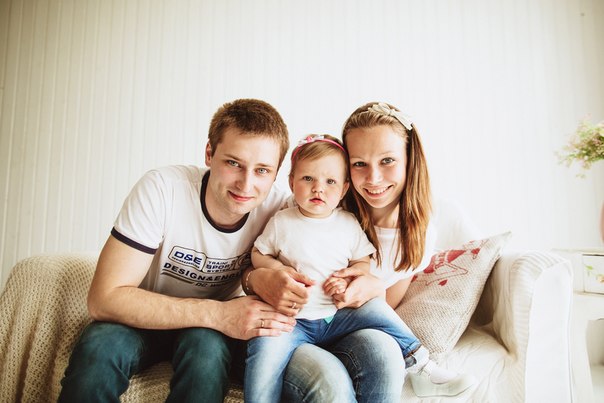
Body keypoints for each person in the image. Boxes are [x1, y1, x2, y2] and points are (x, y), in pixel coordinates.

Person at [58, 98, 299, 402]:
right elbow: (103, 299)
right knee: (100, 346)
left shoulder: (281, 209)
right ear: (209, 153)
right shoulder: (163, 189)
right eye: (233, 163)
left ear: (277, 173)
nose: (246, 184)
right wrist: (218, 313)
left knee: (206, 353)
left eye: (262, 170)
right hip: (141, 317)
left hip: (207, 333)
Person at [244, 133, 474, 402]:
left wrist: (352, 277)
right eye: (307, 178)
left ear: (344, 189)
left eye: (330, 182)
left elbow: (362, 261)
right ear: (291, 181)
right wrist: (275, 269)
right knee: (264, 352)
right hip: (291, 320)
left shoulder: (347, 223)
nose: (318, 188)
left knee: (376, 307)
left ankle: (420, 364)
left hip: (337, 315)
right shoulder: (282, 221)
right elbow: (258, 253)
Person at [334, 101, 476, 396]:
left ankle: (419, 367)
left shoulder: (417, 236)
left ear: (411, 160)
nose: (373, 178)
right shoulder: (330, 212)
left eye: (387, 161)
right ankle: (421, 364)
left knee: (384, 351)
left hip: (354, 330)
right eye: (359, 164)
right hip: (311, 321)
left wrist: (373, 290)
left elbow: (385, 310)